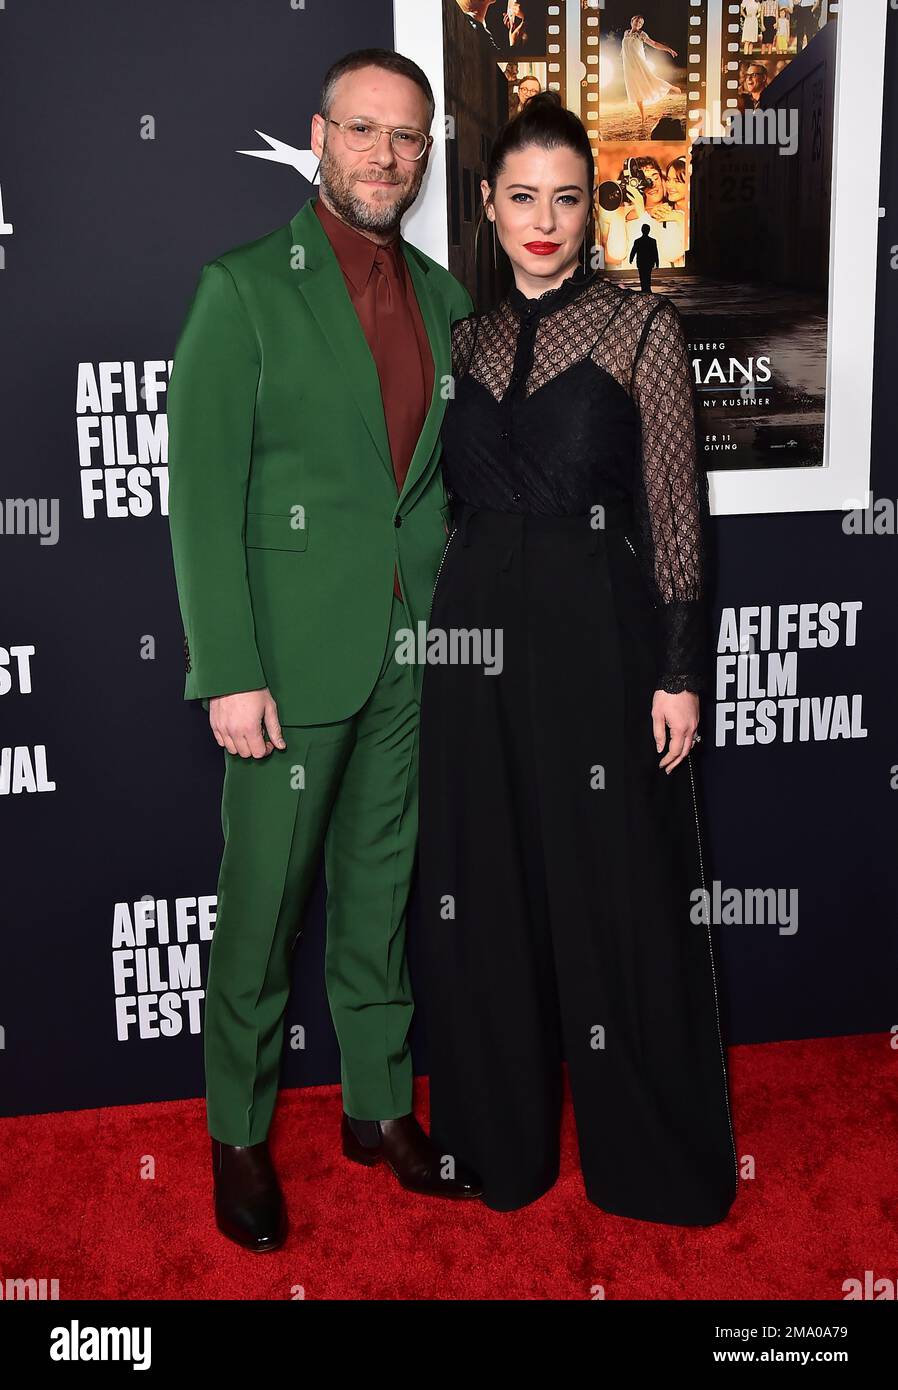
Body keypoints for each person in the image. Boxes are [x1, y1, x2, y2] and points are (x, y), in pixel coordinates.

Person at [167, 47, 483, 1253]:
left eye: (407, 140)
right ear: (319, 136)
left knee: (381, 893)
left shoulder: (449, 299)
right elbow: (201, 497)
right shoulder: (242, 288)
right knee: (262, 910)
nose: (385, 158)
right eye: (364, 131)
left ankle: (376, 1108)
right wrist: (229, 669)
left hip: (411, 650)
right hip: (287, 668)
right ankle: (236, 1134)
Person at [417, 91, 739, 1223]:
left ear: (589, 211)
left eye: (565, 197)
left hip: (598, 647)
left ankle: (649, 1156)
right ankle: (494, 1144)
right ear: (490, 210)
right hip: (472, 657)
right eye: (521, 198)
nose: (542, 219)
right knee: (486, 895)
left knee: (617, 897)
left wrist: (680, 666)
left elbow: (675, 512)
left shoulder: (642, 329)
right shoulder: (464, 338)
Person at [629, 221, 660, 290]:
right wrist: (657, 262)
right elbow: (655, 252)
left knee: (642, 277)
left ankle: (644, 289)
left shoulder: (637, 241)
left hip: (641, 262)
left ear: (642, 230)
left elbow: (633, 251)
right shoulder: (652, 241)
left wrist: (631, 258)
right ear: (648, 231)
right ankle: (647, 289)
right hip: (649, 262)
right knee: (648, 276)